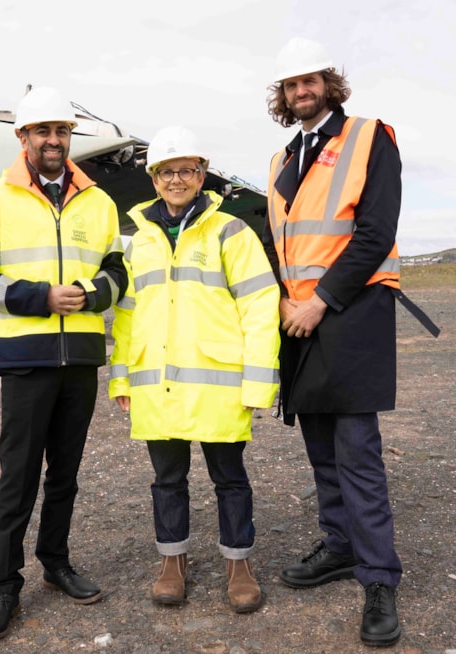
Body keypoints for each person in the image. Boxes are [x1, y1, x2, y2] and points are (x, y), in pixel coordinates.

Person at [263, 37, 438, 647]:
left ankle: (379, 578)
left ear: (329, 84)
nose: (300, 91)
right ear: (283, 96)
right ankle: (339, 547)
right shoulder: (283, 156)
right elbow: (280, 241)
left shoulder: (370, 136)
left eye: (309, 81)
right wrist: (286, 301)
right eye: (290, 85)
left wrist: (319, 301)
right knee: (319, 447)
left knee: (356, 452)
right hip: (299, 318)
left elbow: (374, 233)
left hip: (351, 310)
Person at [0, 86, 128, 642]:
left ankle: (56, 563)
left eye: (61, 131)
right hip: (25, 360)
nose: (53, 140)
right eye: (42, 131)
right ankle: (6, 584)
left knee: (66, 477)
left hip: (79, 357)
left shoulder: (98, 201)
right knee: (18, 478)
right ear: (23, 137)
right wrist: (40, 298)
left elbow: (118, 274)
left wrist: (89, 293)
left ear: (69, 136)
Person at [108, 126, 281, 613]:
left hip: (218, 386)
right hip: (156, 385)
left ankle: (239, 564)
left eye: (186, 169)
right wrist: (121, 375)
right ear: (154, 178)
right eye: (167, 171)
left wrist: (258, 381)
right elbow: (126, 314)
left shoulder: (230, 231)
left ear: (202, 175)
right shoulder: (137, 241)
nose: (177, 179)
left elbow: (260, 306)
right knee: (167, 480)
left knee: (230, 478)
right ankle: (171, 561)